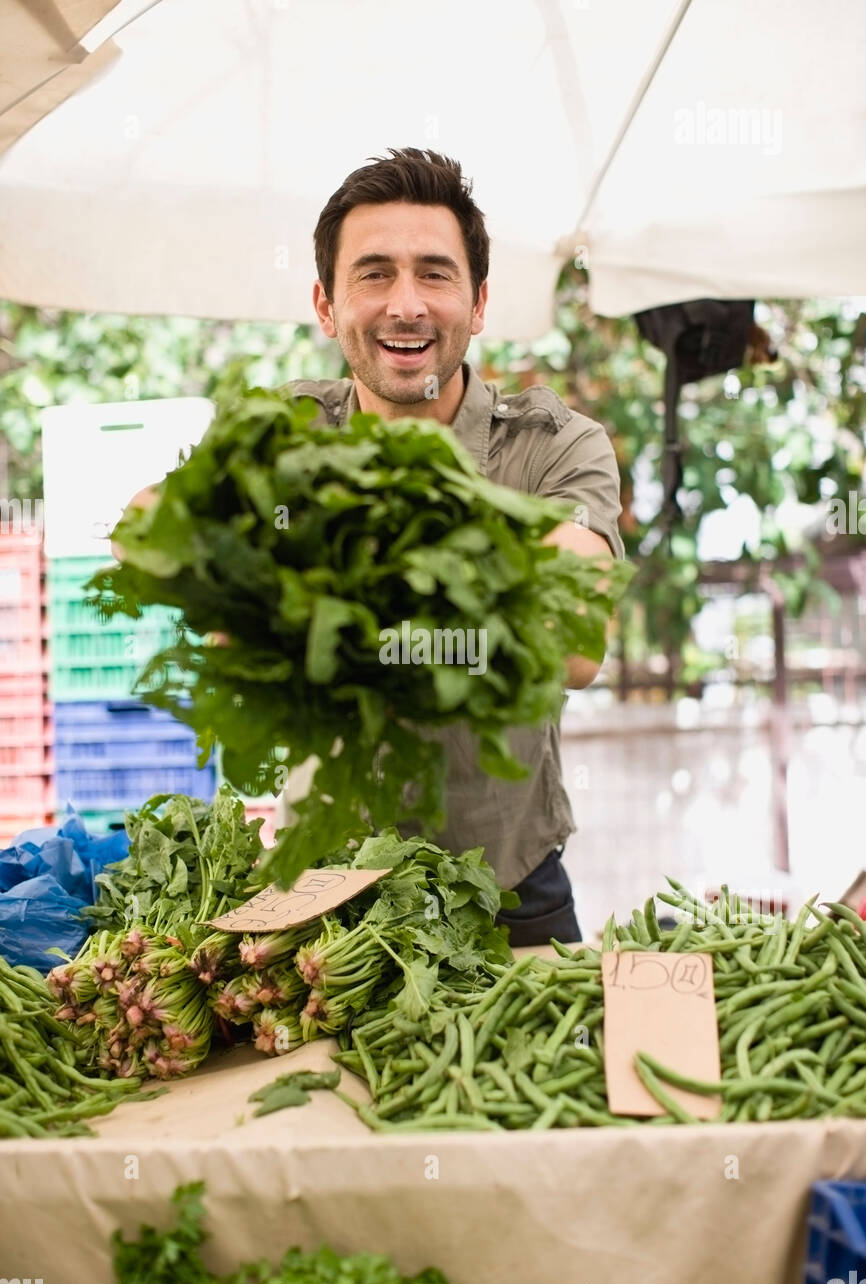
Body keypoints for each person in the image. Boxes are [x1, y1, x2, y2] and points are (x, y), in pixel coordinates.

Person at [117, 147, 625, 947]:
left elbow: (570, 645)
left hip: (509, 890)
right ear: (326, 304)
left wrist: (326, 578)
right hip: (327, 895)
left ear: (479, 300)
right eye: (374, 274)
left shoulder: (553, 446)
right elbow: (157, 539)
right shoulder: (283, 431)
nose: (407, 306)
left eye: (435, 273)